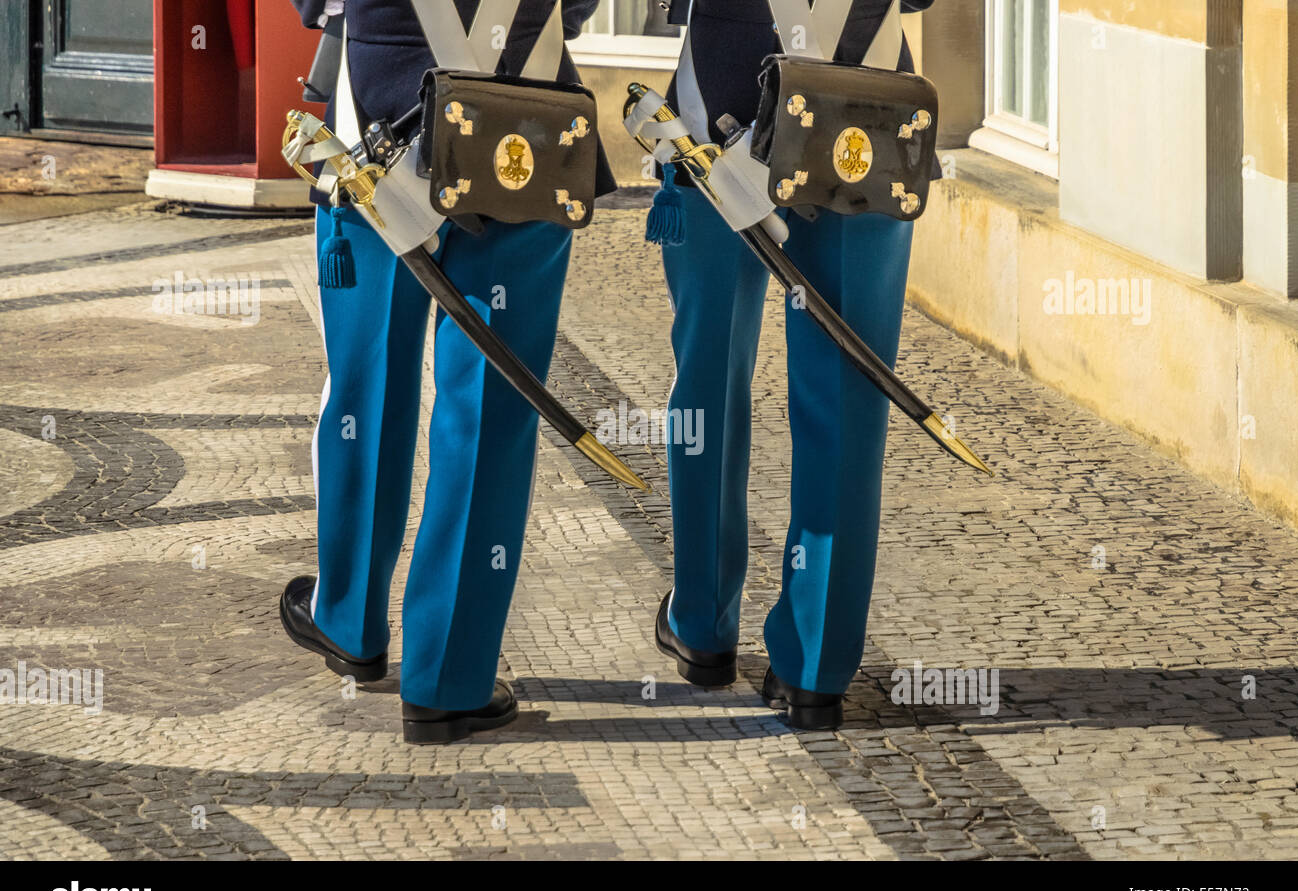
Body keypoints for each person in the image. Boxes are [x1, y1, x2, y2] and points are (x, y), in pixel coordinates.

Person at [280, 0, 613, 743]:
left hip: (373, 113)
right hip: (522, 117)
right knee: (489, 412)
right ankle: (448, 679)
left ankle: (350, 619)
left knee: (366, 388)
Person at [651, 0, 938, 730]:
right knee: (843, 402)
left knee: (708, 383)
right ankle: (815, 664)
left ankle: (703, 622)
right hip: (864, 106)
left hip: (723, 93)